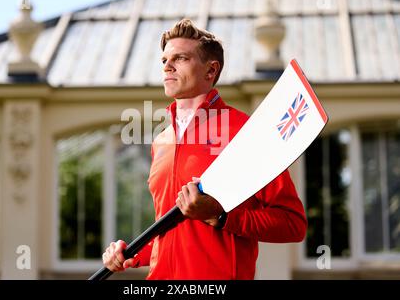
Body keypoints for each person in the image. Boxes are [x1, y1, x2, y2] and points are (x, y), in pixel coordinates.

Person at [102, 19, 307, 279]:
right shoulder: (162, 141)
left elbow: (293, 224)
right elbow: (176, 233)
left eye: (181, 58)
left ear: (210, 71)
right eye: (164, 59)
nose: (167, 66)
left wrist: (221, 217)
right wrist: (132, 253)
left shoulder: (244, 132)